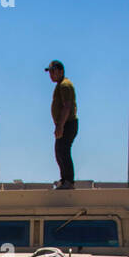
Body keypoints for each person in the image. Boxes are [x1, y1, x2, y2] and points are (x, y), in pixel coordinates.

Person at [46, 60, 78, 190]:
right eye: (50, 72)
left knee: (63, 150)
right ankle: (65, 179)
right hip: (65, 123)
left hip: (68, 123)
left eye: (54, 71)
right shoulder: (60, 85)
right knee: (59, 151)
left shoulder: (65, 85)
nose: (51, 74)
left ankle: (69, 181)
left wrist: (60, 126)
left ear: (61, 71)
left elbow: (67, 106)